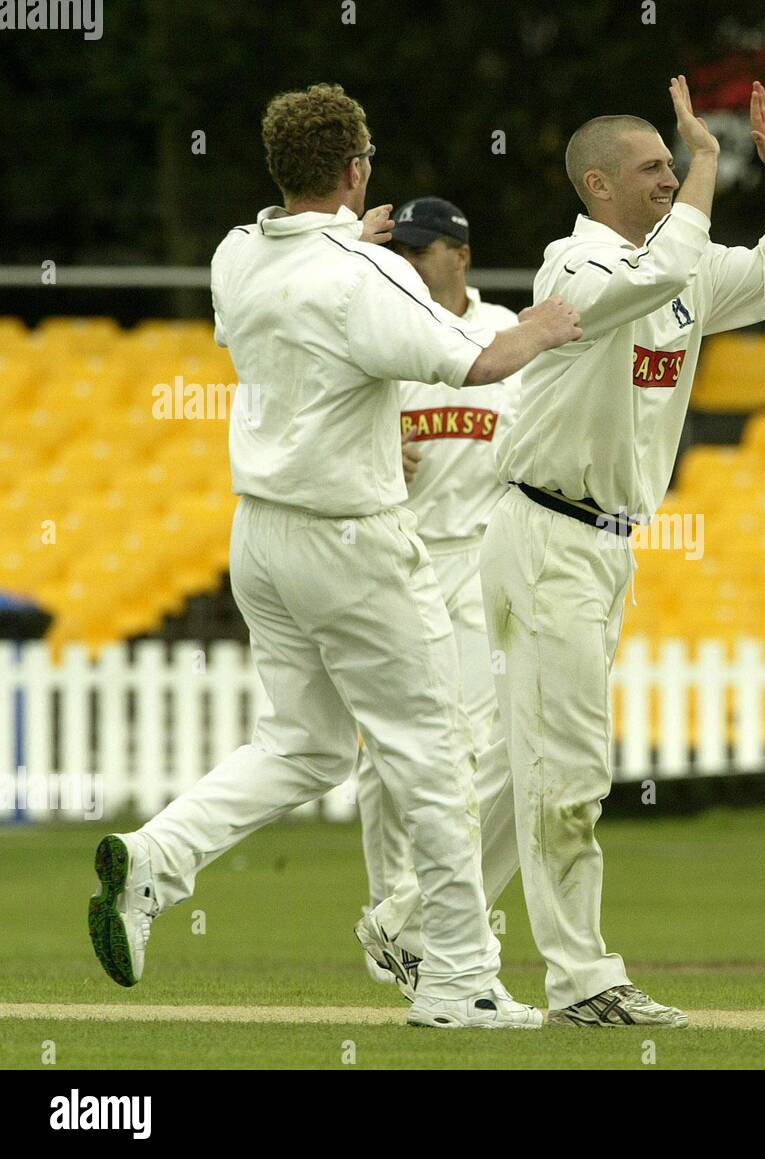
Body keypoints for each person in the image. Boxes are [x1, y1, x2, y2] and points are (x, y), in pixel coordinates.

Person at [87, 83, 580, 1030]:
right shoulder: (368, 276)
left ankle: (155, 859)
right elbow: (473, 361)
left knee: (302, 743)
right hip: (348, 535)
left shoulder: (239, 255)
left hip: (260, 535)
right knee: (434, 752)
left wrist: (350, 239)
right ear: (358, 171)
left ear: (282, 171)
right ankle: (459, 981)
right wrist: (546, 327)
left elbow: (299, 292)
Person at [474, 75, 765, 1027]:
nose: (670, 180)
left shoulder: (675, 276)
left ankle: (416, 923)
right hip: (548, 529)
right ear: (595, 186)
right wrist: (715, 164)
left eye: (674, 167)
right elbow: (665, 271)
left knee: (525, 770)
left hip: (601, 541)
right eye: (652, 169)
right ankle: (582, 979)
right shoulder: (575, 269)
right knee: (570, 774)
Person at [352, 198, 524, 988]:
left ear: (461, 252)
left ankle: (421, 925)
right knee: (391, 757)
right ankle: (395, 912)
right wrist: (374, 448)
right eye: (405, 249)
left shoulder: (507, 332)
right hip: (401, 556)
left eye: (426, 248)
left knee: (480, 752)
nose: (414, 261)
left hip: (487, 561)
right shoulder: (383, 331)